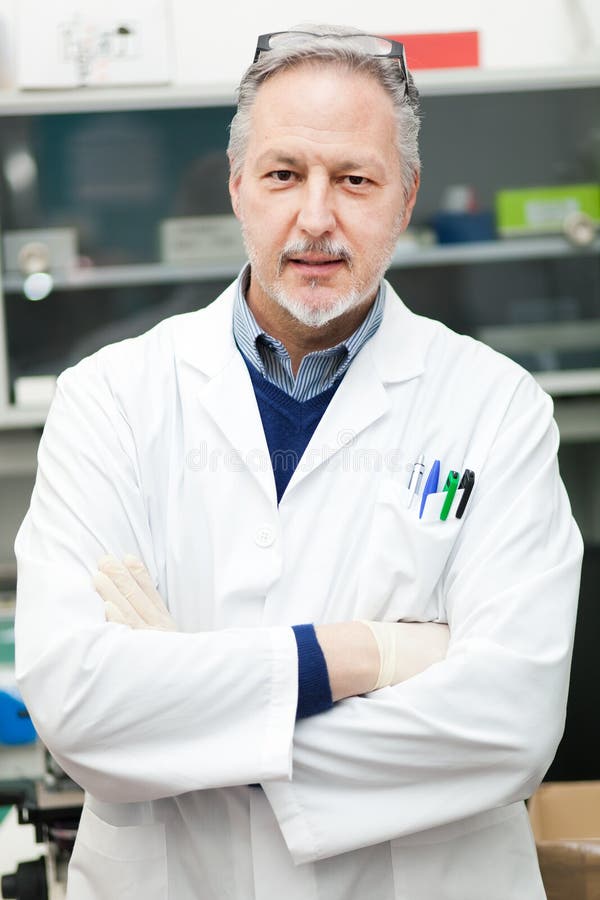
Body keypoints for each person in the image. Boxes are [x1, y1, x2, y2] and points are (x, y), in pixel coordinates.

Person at [14, 25, 582, 900]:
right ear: (237, 186)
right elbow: (79, 706)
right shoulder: (110, 400)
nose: (316, 217)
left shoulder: (498, 409)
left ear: (406, 197)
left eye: (355, 179)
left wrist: (187, 715)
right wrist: (364, 656)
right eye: (284, 174)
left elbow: (509, 722)